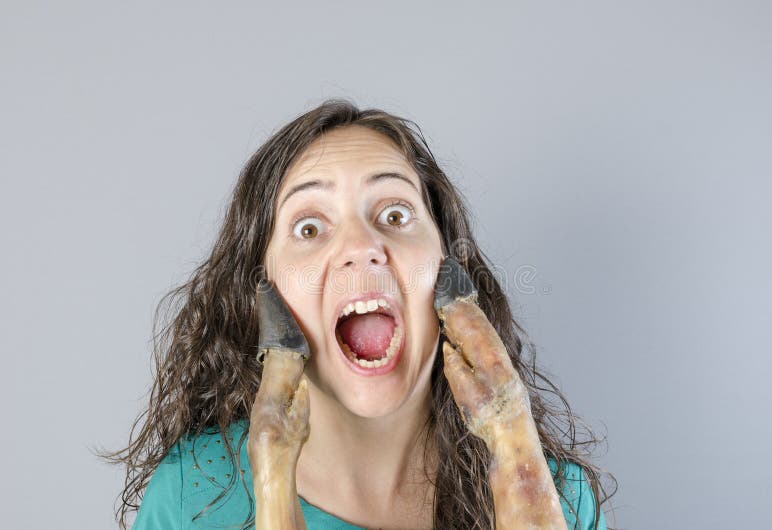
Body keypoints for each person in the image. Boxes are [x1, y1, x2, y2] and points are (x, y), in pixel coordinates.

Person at [102, 99, 615, 529]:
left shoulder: (559, 500)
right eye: (309, 228)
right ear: (263, 292)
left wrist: (516, 452)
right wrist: (274, 487)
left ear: (446, 267)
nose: (363, 245)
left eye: (395, 214)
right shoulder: (191, 495)